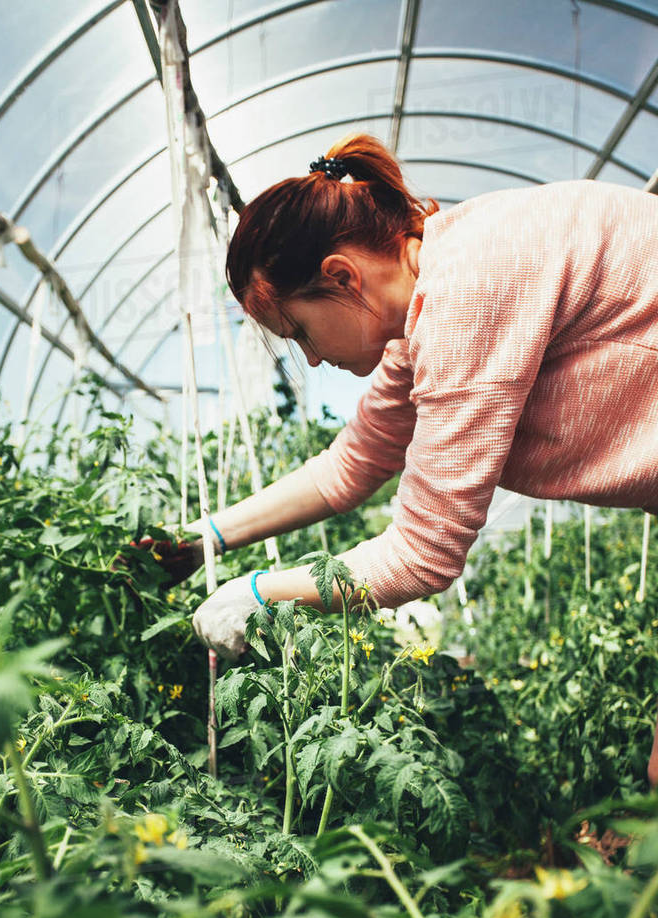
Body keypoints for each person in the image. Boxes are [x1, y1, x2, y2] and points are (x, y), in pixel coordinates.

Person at [175, 133, 658, 782]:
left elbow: (424, 554)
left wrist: (259, 594)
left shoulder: (467, 293)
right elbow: (347, 469)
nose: (314, 358)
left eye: (300, 332)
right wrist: (205, 537)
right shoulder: (438, 290)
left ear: (341, 276)